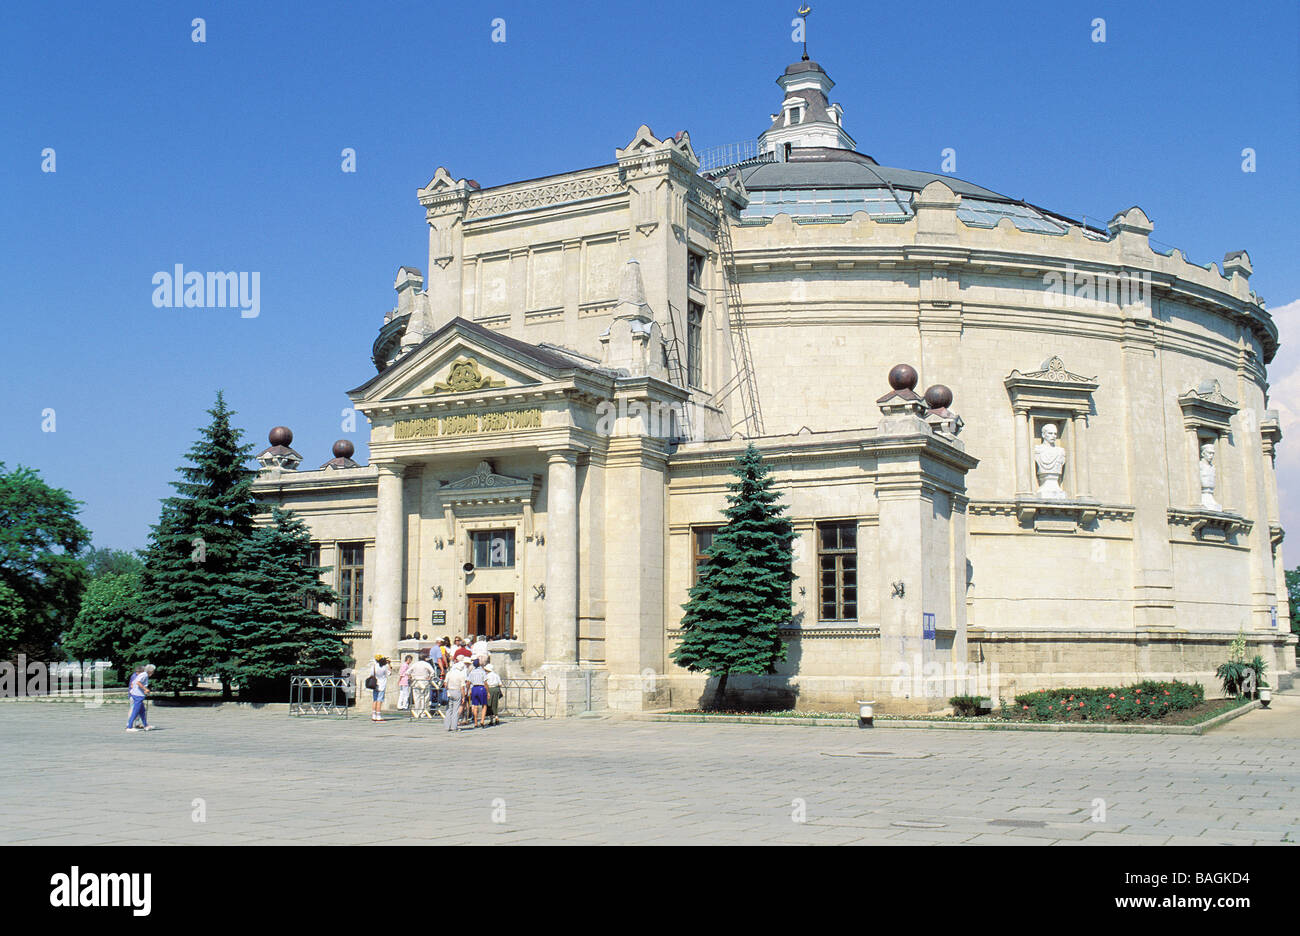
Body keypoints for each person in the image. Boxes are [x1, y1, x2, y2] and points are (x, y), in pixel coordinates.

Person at [126, 664, 156, 732]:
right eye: (153, 671)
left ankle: (146, 725)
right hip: (138, 695)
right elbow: (138, 683)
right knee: (135, 711)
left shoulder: (143, 674)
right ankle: (129, 727)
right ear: (150, 671)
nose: (153, 673)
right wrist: (145, 689)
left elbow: (134, 683)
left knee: (142, 711)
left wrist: (143, 690)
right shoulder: (144, 675)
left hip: (137, 694)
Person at [444, 659, 467, 732]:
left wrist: (447, 688)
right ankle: (454, 727)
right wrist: (463, 697)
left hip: (449, 691)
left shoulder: (449, 673)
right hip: (457, 691)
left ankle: (447, 726)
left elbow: (445, 683)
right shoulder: (461, 675)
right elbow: (462, 687)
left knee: (448, 709)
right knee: (455, 710)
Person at [467, 659, 489, 728]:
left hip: (474, 688)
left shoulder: (472, 672)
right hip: (481, 687)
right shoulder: (482, 671)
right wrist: (488, 692)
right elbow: (485, 683)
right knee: (484, 705)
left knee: (475, 706)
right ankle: (482, 721)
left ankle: (476, 722)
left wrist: (468, 689)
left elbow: (468, 682)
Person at [369, 655, 391, 722]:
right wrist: (389, 664)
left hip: (375, 684)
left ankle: (373, 715)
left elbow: (371, 674)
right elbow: (389, 673)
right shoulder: (384, 667)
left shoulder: (374, 666)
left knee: (375, 700)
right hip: (382, 684)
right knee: (379, 700)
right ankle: (378, 715)